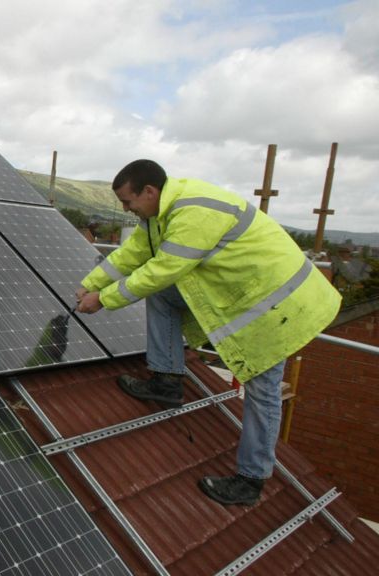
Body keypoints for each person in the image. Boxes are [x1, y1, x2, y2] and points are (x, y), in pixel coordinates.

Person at [75, 159, 341, 506]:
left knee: (263, 391)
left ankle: (251, 479)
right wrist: (89, 284)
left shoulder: (193, 213)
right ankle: (167, 380)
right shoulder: (160, 214)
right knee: (162, 296)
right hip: (247, 293)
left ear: (150, 191)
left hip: (279, 306)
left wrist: (104, 300)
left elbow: (164, 269)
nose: (127, 209)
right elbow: (132, 254)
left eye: (129, 202)